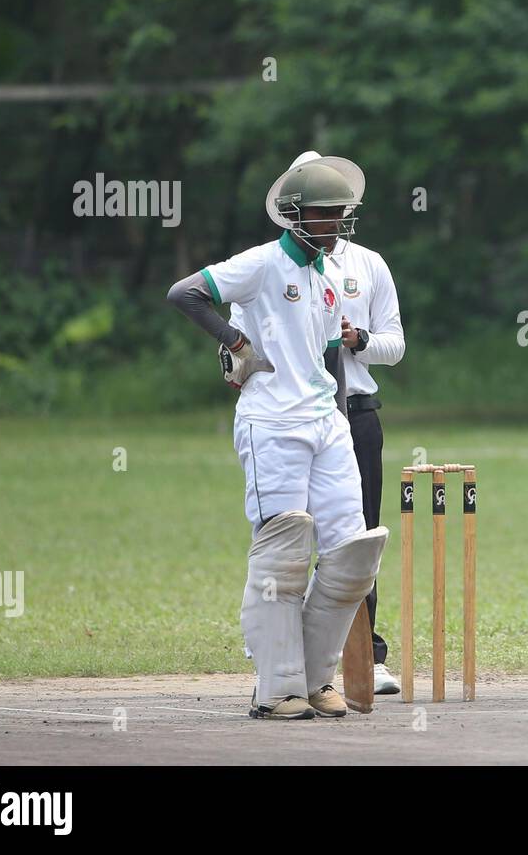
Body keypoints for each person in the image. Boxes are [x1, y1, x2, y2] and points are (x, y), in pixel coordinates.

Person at [166, 155, 388, 718]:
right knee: (285, 553)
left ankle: (318, 680)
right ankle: (277, 688)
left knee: (352, 554)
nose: (336, 224)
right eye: (326, 214)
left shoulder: (330, 274)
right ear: (294, 215)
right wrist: (236, 343)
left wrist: (337, 416)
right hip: (271, 422)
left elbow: (329, 355)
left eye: (342, 215)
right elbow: (185, 293)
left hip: (325, 421)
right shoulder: (261, 264)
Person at [282, 151, 407, 695]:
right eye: (319, 206)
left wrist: (359, 341)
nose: (329, 215)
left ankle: (366, 653)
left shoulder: (369, 263)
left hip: (355, 413)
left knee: (358, 535)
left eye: (336, 206)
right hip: (295, 417)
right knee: (293, 534)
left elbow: (395, 345)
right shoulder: (274, 264)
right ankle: (286, 655)